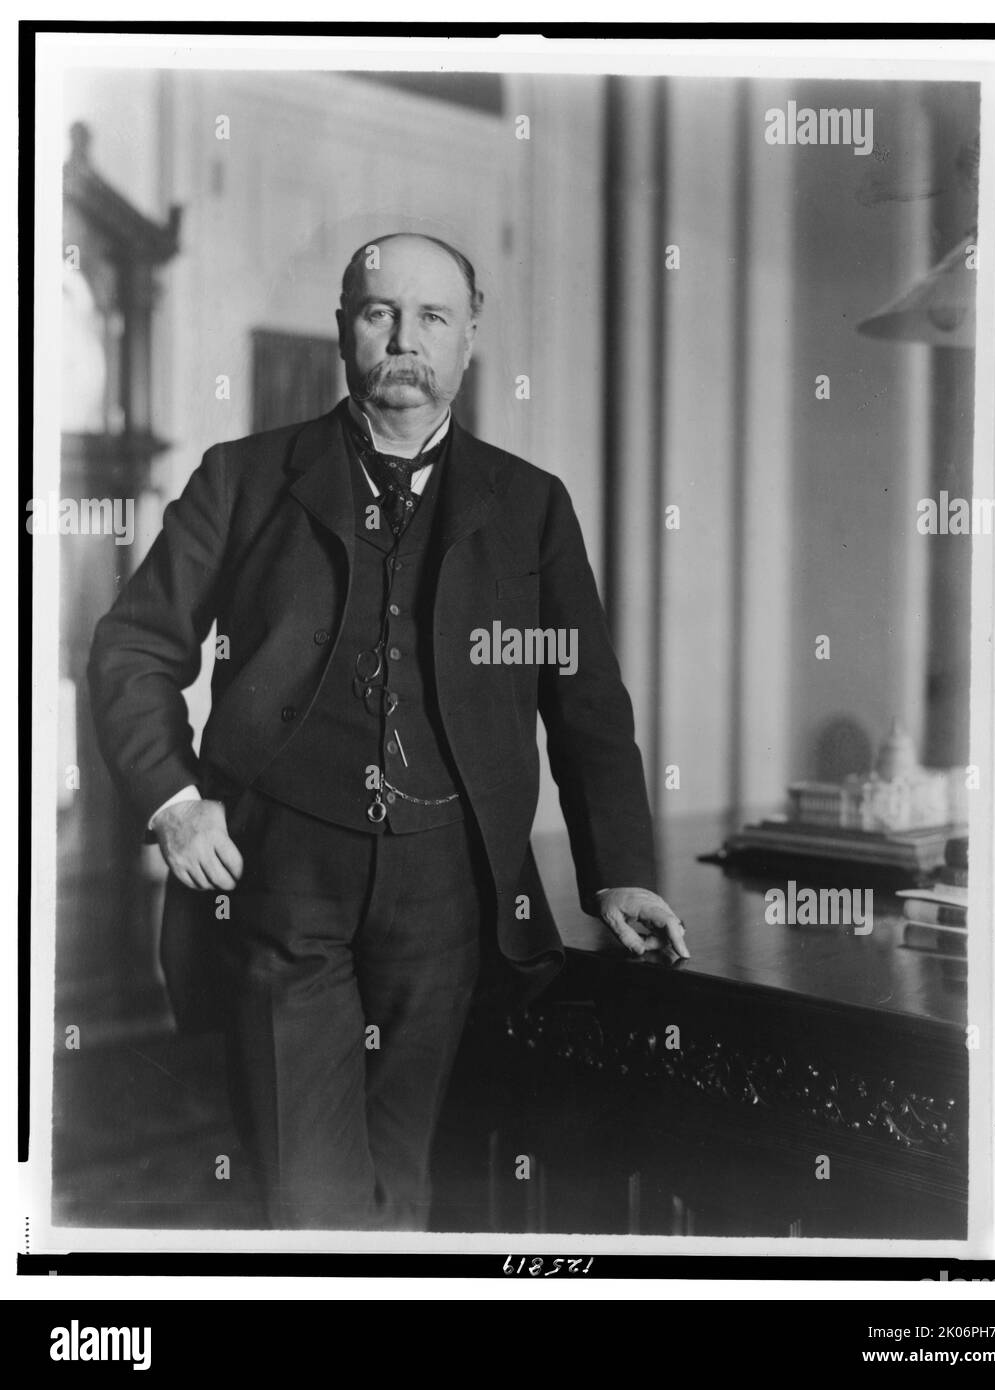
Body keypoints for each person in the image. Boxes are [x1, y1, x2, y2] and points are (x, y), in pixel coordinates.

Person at [89, 232, 687, 1230]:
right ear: (344, 330)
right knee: (311, 1203)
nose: (404, 339)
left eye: (432, 317)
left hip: (451, 898)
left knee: (410, 1194)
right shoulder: (242, 479)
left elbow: (584, 701)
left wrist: (617, 871)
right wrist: (175, 802)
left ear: (469, 339)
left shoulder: (530, 506)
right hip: (281, 887)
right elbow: (131, 648)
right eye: (380, 314)